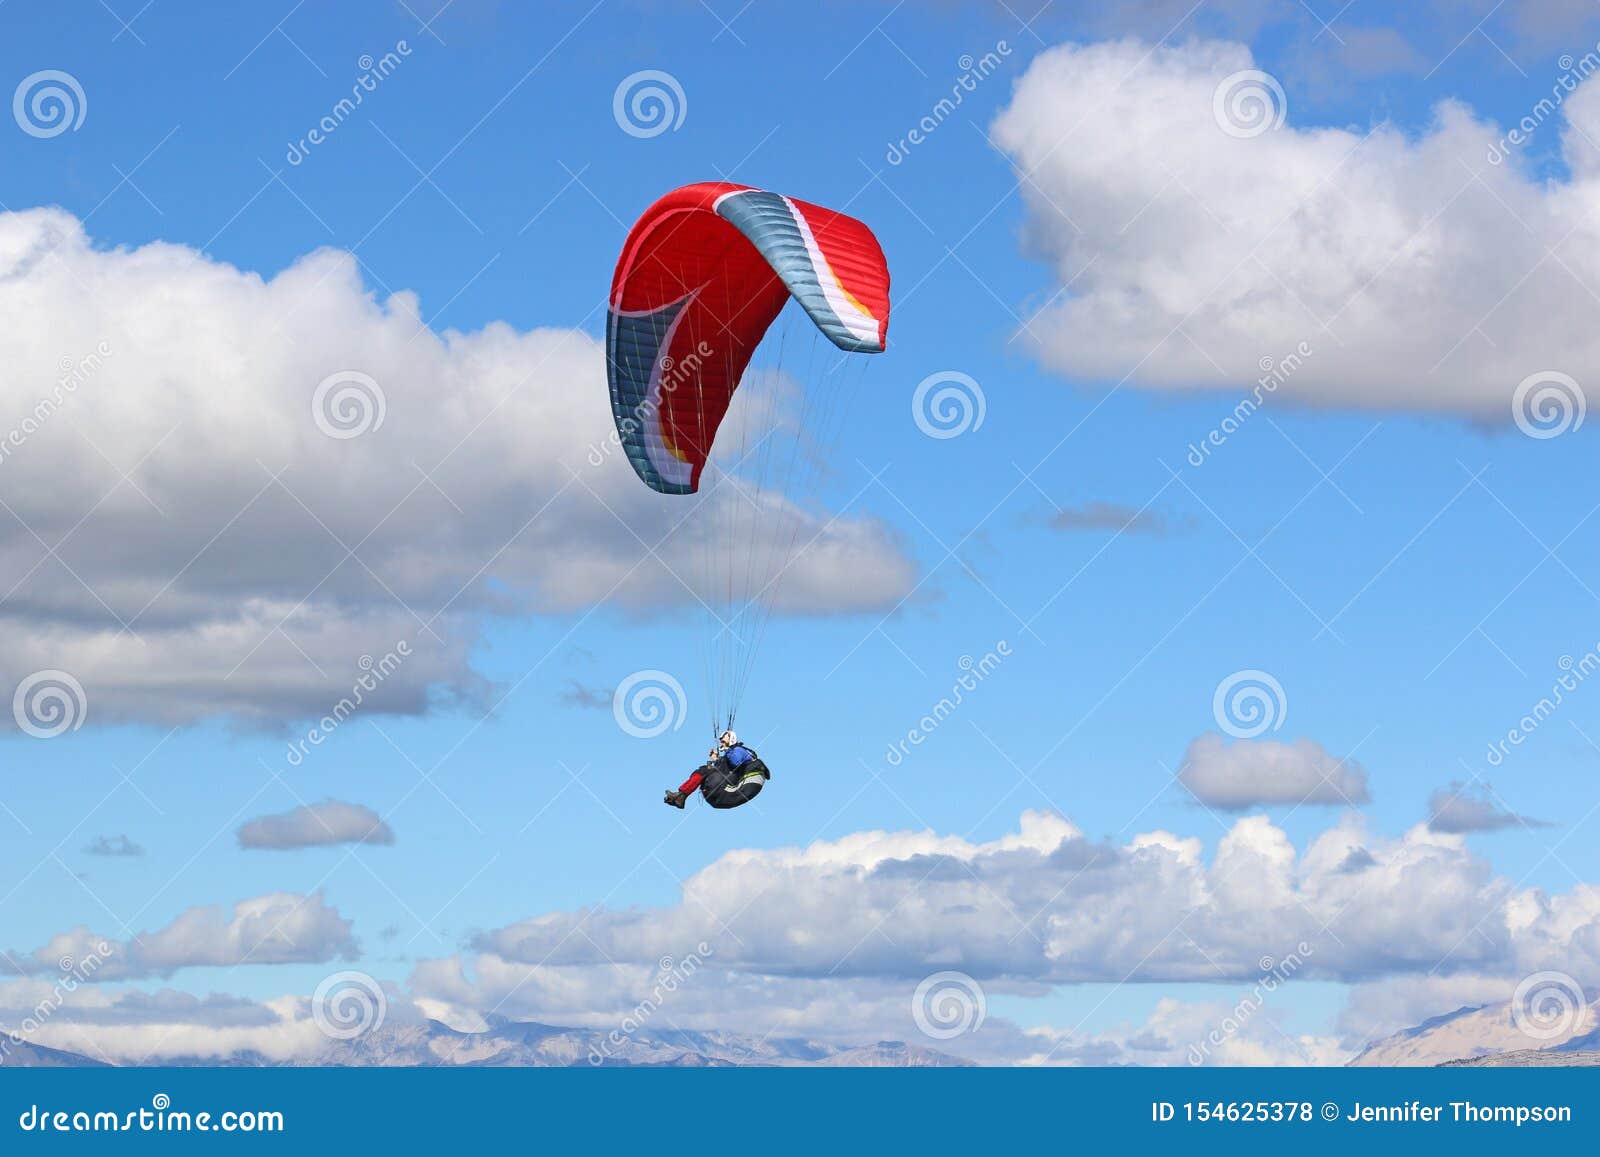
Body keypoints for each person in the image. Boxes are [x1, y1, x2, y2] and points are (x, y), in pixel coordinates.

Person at [665, 730, 769, 810]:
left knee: (705, 769)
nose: (720, 737)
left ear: (732, 738)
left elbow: (736, 763)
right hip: (721, 794)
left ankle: (681, 795)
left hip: (732, 791)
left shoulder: (737, 750)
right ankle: (681, 795)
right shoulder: (729, 755)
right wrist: (714, 760)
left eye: (725, 735)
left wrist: (726, 752)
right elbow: (723, 769)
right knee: (705, 769)